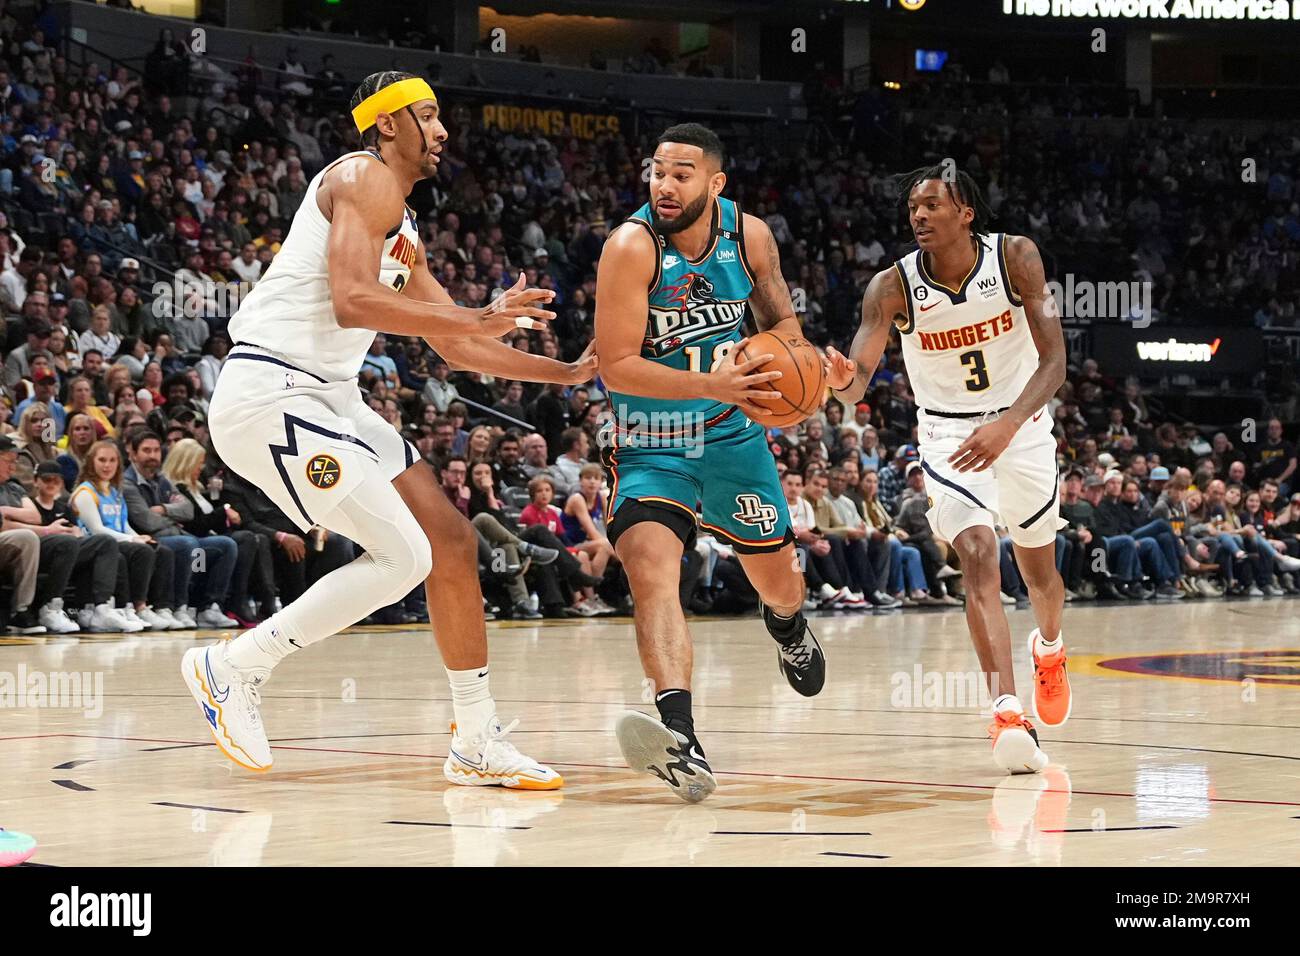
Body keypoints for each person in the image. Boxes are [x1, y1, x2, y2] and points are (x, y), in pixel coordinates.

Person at [185, 71, 593, 785]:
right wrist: (475, 313)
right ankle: (233, 668)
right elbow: (351, 301)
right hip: (271, 393)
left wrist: (566, 373)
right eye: (428, 116)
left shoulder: (402, 228)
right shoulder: (361, 175)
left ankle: (474, 739)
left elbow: (458, 346)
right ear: (386, 125)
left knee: (452, 540)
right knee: (404, 556)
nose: (442, 132)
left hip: (332, 400)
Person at [595, 123, 823, 802]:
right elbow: (616, 367)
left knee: (780, 582)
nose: (665, 185)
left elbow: (786, 326)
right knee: (653, 572)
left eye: (682, 174)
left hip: (732, 439)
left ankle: (785, 624)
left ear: (715, 183)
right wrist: (710, 382)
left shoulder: (749, 237)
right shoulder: (630, 247)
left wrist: (784, 361)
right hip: (649, 438)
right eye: (658, 172)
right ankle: (681, 738)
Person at [826, 164, 1070, 775]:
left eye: (933, 205)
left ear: (966, 212)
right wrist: (839, 382)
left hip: (1022, 424)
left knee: (1040, 574)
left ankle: (1050, 648)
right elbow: (856, 383)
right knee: (980, 554)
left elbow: (1056, 362)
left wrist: (1008, 425)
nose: (920, 216)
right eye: (913, 208)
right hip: (946, 432)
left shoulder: (1015, 257)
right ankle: (1008, 713)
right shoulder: (892, 287)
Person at [68, 438, 168, 632]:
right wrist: (132, 539)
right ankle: (132, 607)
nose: (107, 465)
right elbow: (97, 529)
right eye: (102, 460)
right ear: (91, 462)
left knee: (161, 550)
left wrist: (139, 537)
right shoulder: (85, 492)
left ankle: (164, 607)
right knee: (139, 552)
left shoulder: (115, 492)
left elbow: (124, 525)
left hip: (117, 541)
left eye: (112, 460)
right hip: (94, 545)